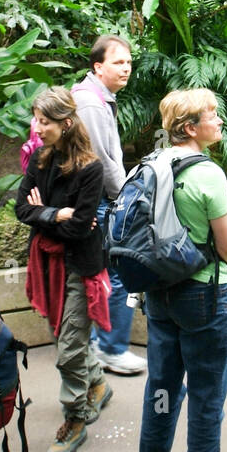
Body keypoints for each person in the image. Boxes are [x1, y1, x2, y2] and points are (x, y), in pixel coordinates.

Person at [138, 89, 227, 452]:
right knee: (206, 392)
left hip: (158, 292)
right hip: (203, 294)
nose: (219, 121)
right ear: (189, 128)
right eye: (211, 115)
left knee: (161, 386)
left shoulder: (149, 165)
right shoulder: (208, 174)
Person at [15, 87, 112, 452]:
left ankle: (75, 418)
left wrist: (47, 216)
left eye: (44, 121)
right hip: (48, 263)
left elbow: (83, 226)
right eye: (36, 119)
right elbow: (21, 208)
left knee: (68, 346)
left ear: (66, 123)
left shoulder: (91, 167)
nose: (36, 127)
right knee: (62, 332)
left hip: (81, 265)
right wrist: (56, 214)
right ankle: (98, 384)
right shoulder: (38, 159)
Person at [75, 35, 146, 376]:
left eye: (129, 62)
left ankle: (95, 345)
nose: (126, 68)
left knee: (103, 273)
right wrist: (125, 198)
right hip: (101, 203)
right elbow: (100, 160)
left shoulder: (97, 98)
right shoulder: (90, 103)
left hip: (96, 202)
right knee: (120, 273)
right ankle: (110, 348)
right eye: (118, 62)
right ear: (98, 66)